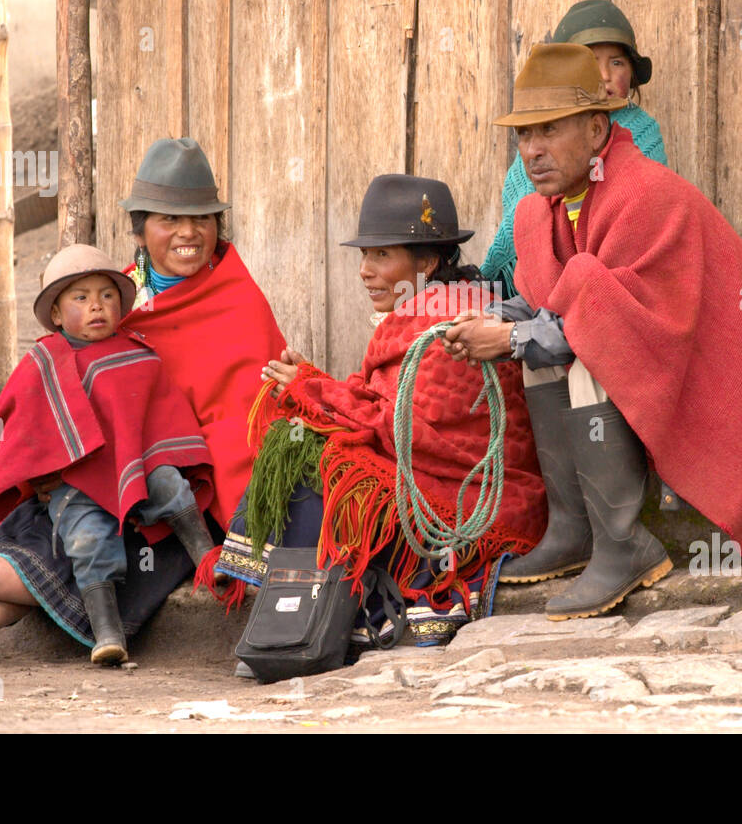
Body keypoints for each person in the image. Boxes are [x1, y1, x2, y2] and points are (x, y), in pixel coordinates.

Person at [443, 44, 742, 621]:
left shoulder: (645, 193)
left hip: (723, 378)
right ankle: (573, 530)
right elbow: (545, 308)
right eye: (523, 136)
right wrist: (490, 323)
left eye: (550, 131)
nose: (533, 151)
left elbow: (606, 318)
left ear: (595, 128)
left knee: (590, 321)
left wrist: (509, 339)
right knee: (555, 336)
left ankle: (623, 543)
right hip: (638, 362)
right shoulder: (537, 212)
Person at [0, 138, 286, 658]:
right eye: (169, 218)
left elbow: (243, 422)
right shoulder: (113, 294)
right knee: (60, 506)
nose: (189, 232)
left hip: (188, 487)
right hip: (105, 463)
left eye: (202, 218)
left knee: (112, 523)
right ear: (141, 229)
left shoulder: (236, 304)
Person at [212, 175, 547, 646]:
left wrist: (314, 391)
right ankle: (303, 611)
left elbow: (407, 432)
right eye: (365, 256)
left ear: (427, 262)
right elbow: (384, 408)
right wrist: (316, 387)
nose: (365, 271)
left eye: (382, 255)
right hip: (443, 485)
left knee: (314, 462)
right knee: (299, 438)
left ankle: (319, 613)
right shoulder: (434, 308)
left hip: (471, 502)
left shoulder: (451, 327)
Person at [0, 244, 219, 665]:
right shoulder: (44, 362)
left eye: (107, 296)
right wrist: (41, 473)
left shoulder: (136, 353)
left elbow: (159, 420)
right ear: (55, 314)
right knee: (84, 541)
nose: (97, 307)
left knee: (165, 488)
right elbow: (21, 432)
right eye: (81, 298)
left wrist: (143, 465)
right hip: (71, 492)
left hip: (142, 495)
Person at [480, 0, 667, 301]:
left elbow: (640, 209)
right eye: (591, 63)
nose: (605, 75)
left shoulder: (641, 133)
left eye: (616, 62)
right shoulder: (538, 143)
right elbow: (525, 207)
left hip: (612, 273)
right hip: (548, 277)